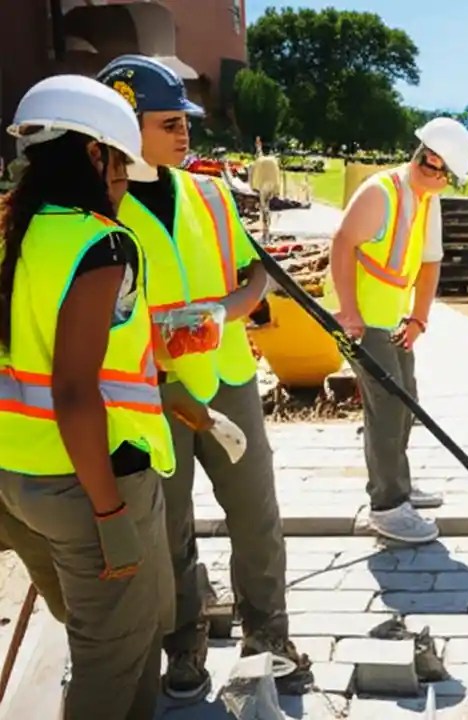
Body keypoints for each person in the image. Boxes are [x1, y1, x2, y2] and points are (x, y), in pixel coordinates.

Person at [96, 55, 312, 699]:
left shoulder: (211, 194)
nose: (185, 133)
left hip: (227, 380)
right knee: (169, 526)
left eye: (185, 120)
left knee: (255, 514)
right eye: (169, 123)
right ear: (121, 128)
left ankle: (268, 634)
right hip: (152, 394)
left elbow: (256, 274)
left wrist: (225, 310)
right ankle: (184, 642)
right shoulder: (101, 213)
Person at [0, 74, 176, 719]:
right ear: (95, 153)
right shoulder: (98, 240)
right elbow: (74, 389)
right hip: (89, 479)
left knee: (116, 638)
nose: (122, 181)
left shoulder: (12, 229)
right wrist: (109, 514)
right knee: (112, 655)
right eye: (120, 163)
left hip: (18, 477)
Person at [330, 118, 468, 545]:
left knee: (406, 398)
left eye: (442, 172)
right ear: (423, 157)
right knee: (387, 407)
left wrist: (419, 319)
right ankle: (387, 507)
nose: (433, 175)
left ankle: (399, 485)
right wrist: (349, 311)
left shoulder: (427, 202)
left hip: (393, 317)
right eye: (430, 165)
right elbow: (341, 243)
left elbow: (430, 265)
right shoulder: (381, 193)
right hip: (360, 317)